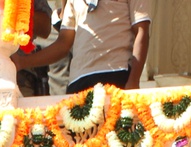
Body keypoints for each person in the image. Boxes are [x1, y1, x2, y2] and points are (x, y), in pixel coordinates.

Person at [15, 0, 151, 96]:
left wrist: (133, 80)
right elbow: (63, 44)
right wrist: (22, 62)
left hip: (115, 74)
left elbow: (142, 32)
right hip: (78, 82)